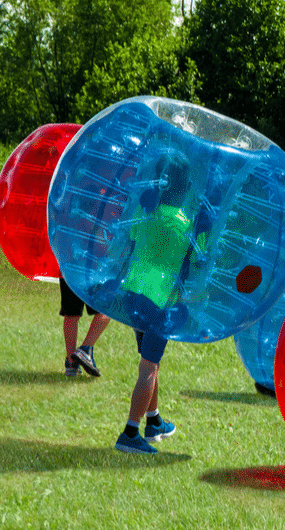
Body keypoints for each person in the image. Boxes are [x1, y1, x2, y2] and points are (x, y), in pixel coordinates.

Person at [113, 152, 197, 455]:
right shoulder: (182, 225)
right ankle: (130, 433)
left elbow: (133, 240)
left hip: (134, 293)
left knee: (152, 361)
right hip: (160, 302)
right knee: (148, 367)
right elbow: (199, 258)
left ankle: (154, 420)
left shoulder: (146, 212)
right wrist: (205, 229)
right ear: (186, 187)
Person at [60, 278, 109, 377]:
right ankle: (85, 350)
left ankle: (71, 363)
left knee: (71, 314)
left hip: (68, 268)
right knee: (106, 309)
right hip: (92, 270)